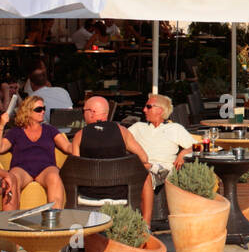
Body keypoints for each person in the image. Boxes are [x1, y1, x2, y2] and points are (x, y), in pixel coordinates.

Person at [71, 96, 153, 221]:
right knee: (146, 175)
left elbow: (76, 167)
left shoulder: (79, 136)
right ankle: (146, 225)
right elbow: (144, 158)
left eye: (84, 111)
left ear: (92, 112)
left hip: (89, 192)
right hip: (119, 191)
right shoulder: (122, 131)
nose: (83, 115)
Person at [129, 94, 200, 224]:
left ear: (160, 110)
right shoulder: (138, 127)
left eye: (148, 107)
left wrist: (183, 152)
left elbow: (198, 146)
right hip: (139, 167)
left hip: (162, 170)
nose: (144, 110)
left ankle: (146, 225)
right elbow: (121, 139)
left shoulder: (174, 128)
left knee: (146, 175)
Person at [0, 96, 73, 210]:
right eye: (38, 109)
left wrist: (81, 139)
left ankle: (55, 220)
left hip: (46, 168)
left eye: (43, 108)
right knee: (12, 178)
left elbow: (67, 147)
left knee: (54, 177)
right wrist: (1, 124)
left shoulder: (49, 129)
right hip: (22, 168)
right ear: (28, 111)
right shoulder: (16, 131)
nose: (43, 111)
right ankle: (8, 222)